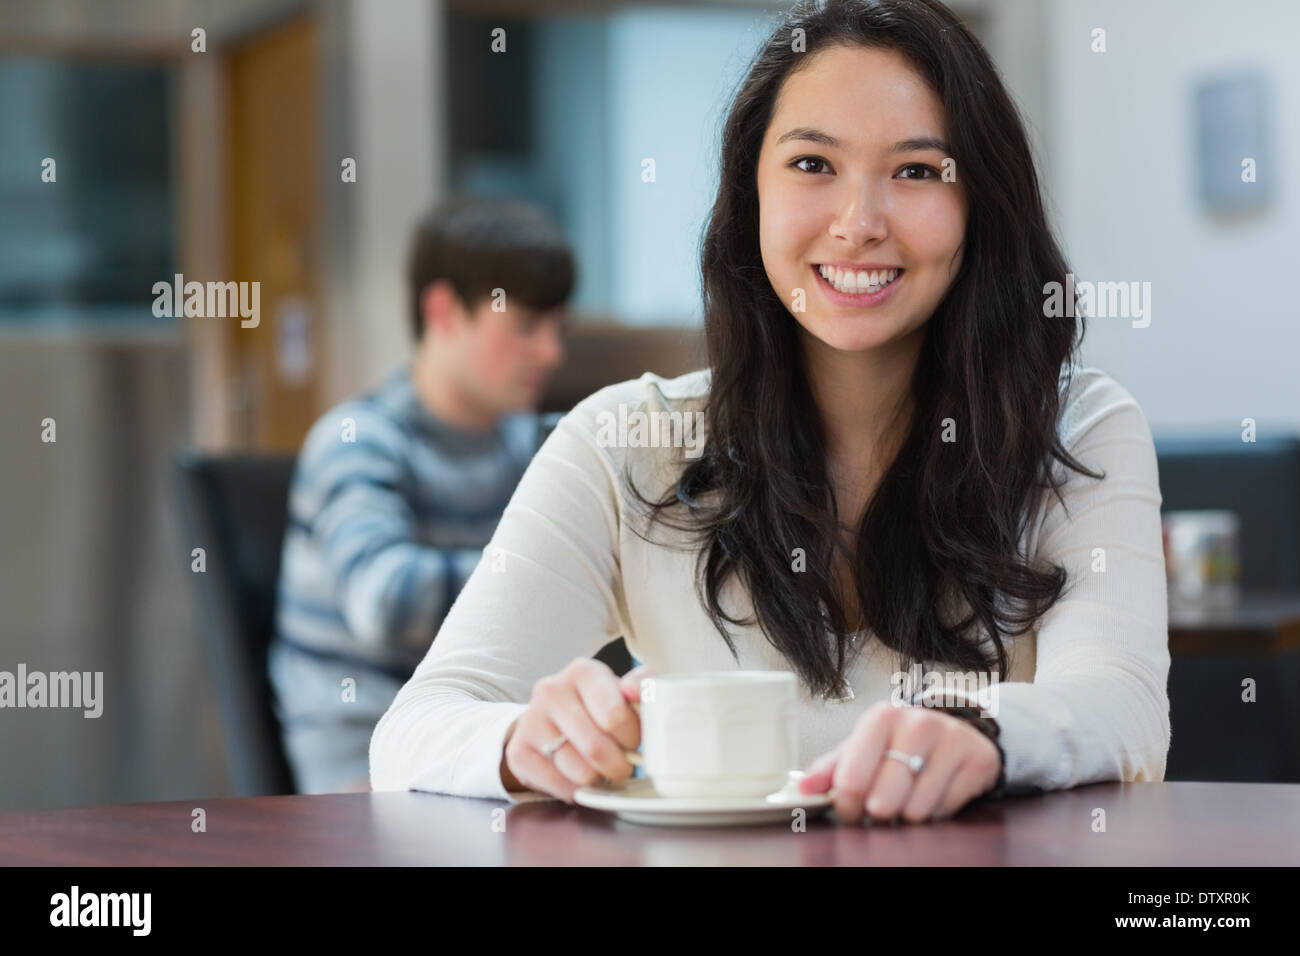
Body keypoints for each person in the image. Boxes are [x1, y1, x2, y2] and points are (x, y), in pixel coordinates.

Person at [370, 0, 1170, 825]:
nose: (859, 224)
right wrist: (522, 740)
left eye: (919, 171)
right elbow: (416, 727)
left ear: (981, 206)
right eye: (813, 165)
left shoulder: (1075, 429)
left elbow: (1125, 707)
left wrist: (984, 734)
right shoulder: (626, 443)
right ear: (749, 192)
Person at [268, 196, 572, 794]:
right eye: (525, 327)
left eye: (558, 328)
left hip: (490, 749)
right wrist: (556, 578)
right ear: (444, 311)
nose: (551, 352)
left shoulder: (528, 444)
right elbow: (384, 600)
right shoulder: (357, 442)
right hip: (368, 768)